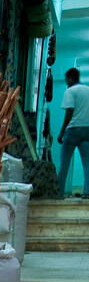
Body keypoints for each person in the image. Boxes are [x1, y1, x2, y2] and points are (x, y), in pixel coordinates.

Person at [57, 67, 89, 199]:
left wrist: (61, 132)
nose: (66, 82)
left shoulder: (70, 91)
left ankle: (59, 193)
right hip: (87, 130)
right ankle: (87, 192)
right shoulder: (88, 90)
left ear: (70, 78)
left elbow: (69, 111)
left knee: (64, 163)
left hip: (73, 130)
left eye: (66, 80)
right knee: (87, 163)